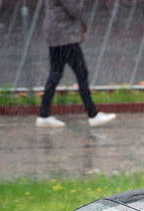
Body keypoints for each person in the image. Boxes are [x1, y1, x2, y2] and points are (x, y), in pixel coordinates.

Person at [36, 0, 115, 128]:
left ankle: (43, 115)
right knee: (81, 73)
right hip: (65, 37)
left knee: (55, 74)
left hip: (56, 34)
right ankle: (93, 115)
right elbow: (75, 9)